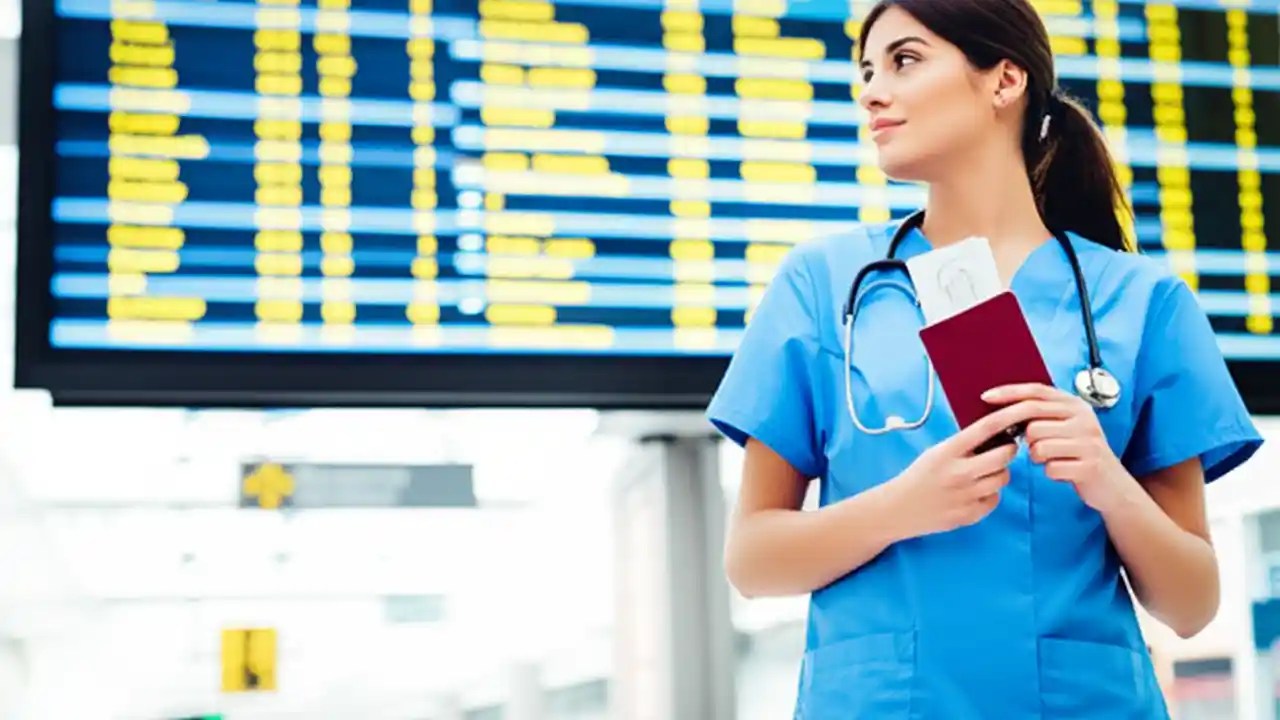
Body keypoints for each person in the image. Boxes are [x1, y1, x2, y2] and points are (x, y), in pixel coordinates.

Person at [705, 1, 1265, 718]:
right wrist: (901, 509)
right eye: (867, 71)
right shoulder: (824, 285)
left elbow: (1191, 604)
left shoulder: (1143, 301)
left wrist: (1107, 482)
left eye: (904, 61)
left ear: (1005, 80)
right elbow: (751, 560)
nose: (873, 90)